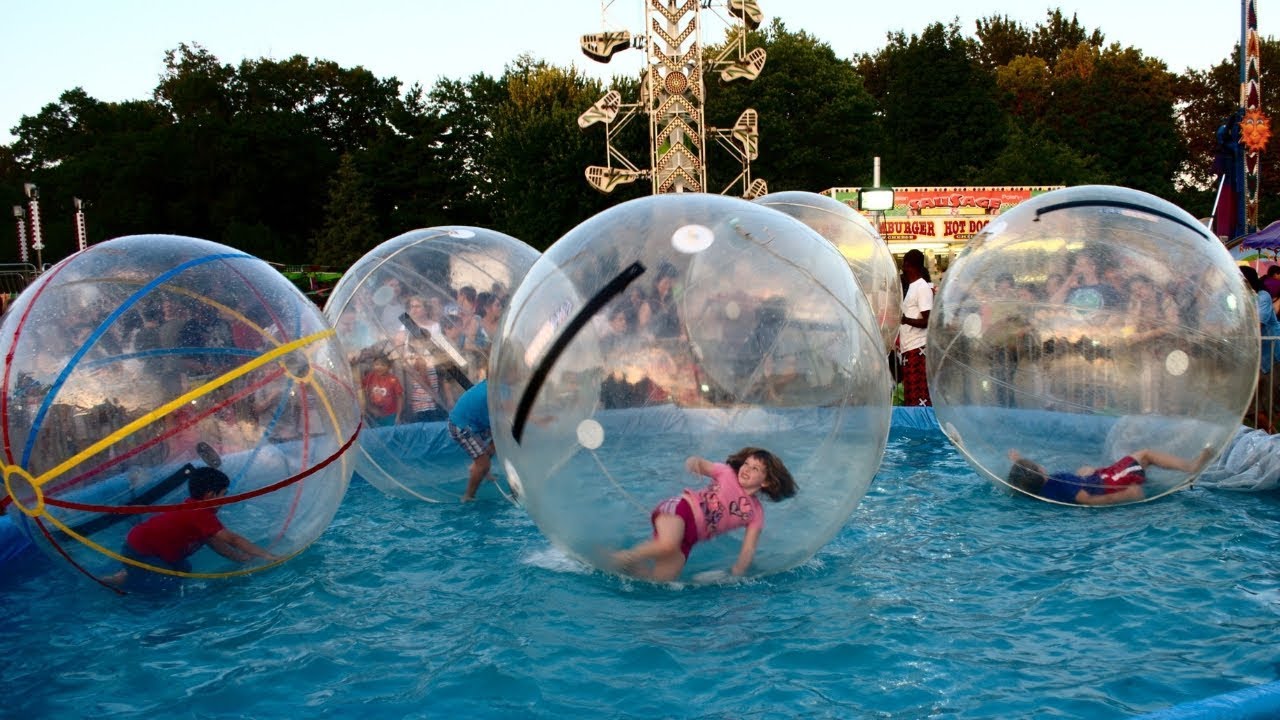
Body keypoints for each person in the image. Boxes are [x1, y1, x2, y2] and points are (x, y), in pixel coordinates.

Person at [612, 447, 797, 581]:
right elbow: (701, 464)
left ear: (766, 482)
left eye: (755, 468)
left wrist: (737, 573)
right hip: (681, 509)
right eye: (746, 464)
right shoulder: (727, 473)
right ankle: (622, 557)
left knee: (659, 581)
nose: (746, 469)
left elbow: (748, 548)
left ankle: (629, 566)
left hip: (690, 538)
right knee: (668, 545)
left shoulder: (756, 513)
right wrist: (694, 463)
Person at [104, 466, 280, 591]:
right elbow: (233, 539)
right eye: (223, 495)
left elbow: (214, 542)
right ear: (210, 495)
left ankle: (124, 575)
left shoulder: (197, 510)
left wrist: (240, 558)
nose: (225, 500)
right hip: (141, 551)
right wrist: (267, 556)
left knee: (184, 568)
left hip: (147, 547)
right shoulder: (200, 514)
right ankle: (123, 582)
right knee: (167, 586)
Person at [1005, 447, 1212, 505]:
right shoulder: (1062, 485)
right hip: (1109, 482)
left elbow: (1026, 475)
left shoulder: (1043, 488)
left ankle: (1187, 466)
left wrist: (1018, 460)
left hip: (1099, 478)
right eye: (1036, 466)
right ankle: (1191, 466)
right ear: (1039, 472)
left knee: (1141, 459)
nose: (1040, 465)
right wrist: (1126, 495)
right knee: (1145, 455)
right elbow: (1087, 499)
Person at [898, 248, 933, 406]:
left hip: (918, 347)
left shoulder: (922, 288)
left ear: (907, 265)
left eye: (904, 265)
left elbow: (927, 321)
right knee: (910, 394)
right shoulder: (912, 287)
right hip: (908, 348)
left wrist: (905, 320)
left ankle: (921, 420)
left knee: (919, 395)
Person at [448, 379, 493, 502]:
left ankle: (479, 468)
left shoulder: (494, 385)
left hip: (475, 423)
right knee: (483, 463)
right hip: (461, 426)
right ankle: (468, 496)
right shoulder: (495, 390)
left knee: (496, 440)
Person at [362, 353, 404, 427]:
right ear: (373, 365)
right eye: (376, 364)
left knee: (390, 431)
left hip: (391, 415)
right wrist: (369, 407)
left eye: (383, 365)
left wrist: (398, 415)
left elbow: (399, 398)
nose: (379, 367)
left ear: (389, 367)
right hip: (375, 415)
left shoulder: (393, 380)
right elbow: (361, 390)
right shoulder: (370, 377)